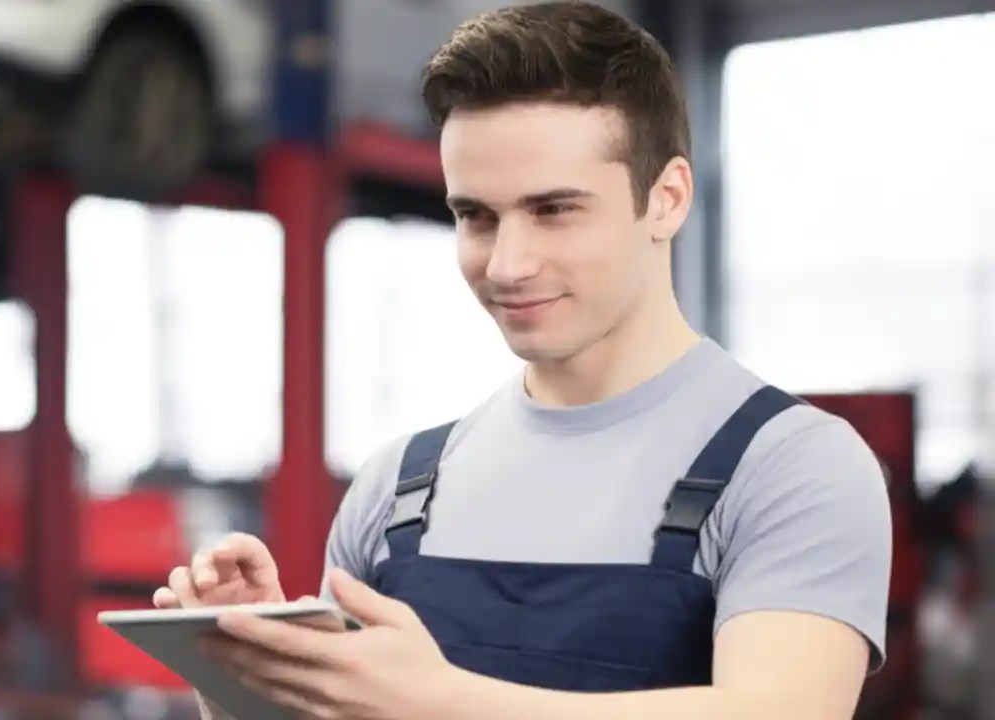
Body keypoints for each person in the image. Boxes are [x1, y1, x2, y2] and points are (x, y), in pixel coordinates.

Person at [154, 2, 892, 718]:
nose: (507, 264)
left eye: (553, 210)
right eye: (475, 216)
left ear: (665, 198)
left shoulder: (794, 468)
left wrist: (442, 703)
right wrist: (242, 677)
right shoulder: (396, 490)